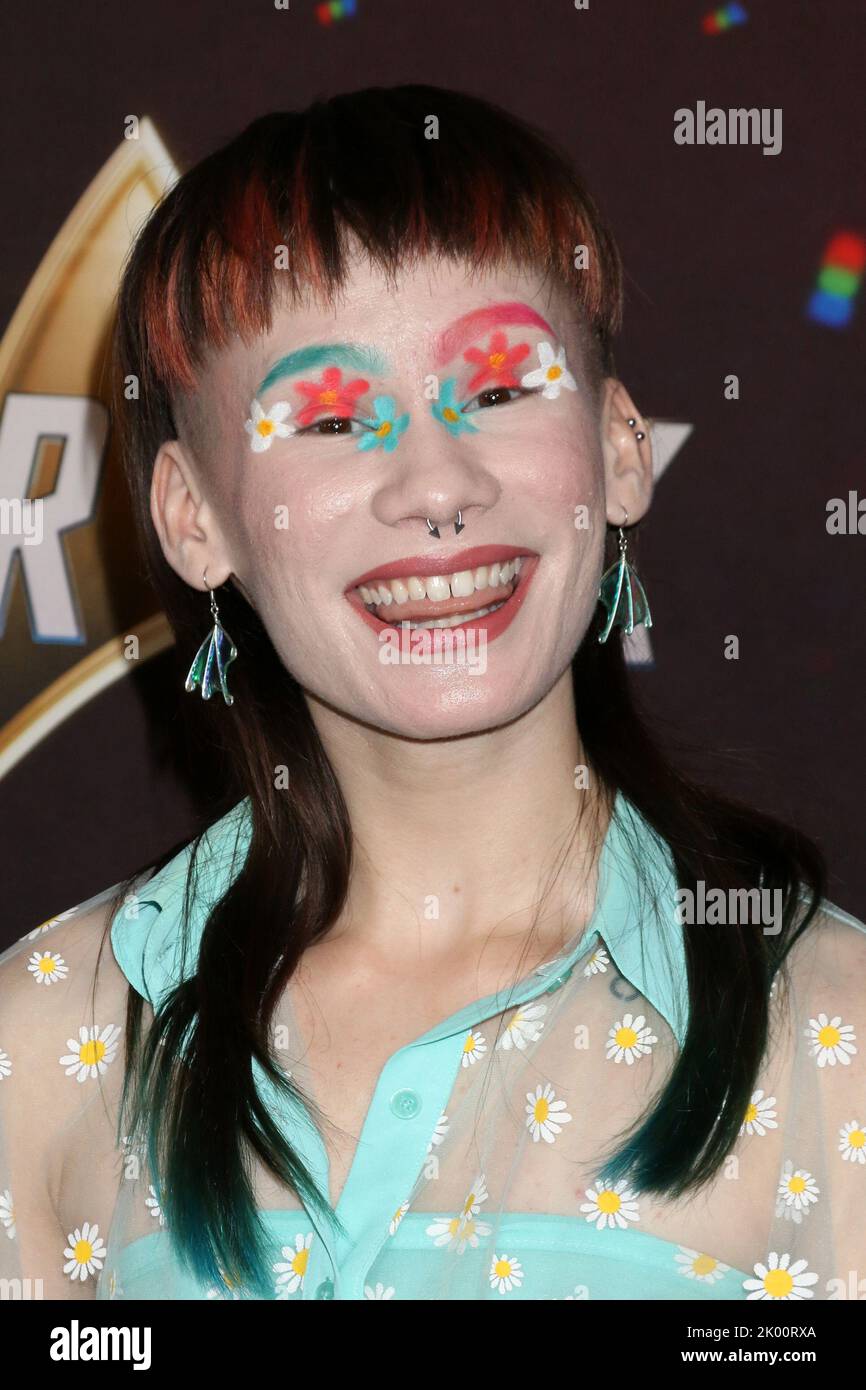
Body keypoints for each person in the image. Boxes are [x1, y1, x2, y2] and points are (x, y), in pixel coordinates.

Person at [1, 85, 864, 1303]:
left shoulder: (837, 1032)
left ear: (618, 449)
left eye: (502, 389)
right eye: (335, 416)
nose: (435, 483)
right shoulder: (46, 1038)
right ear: (196, 521)